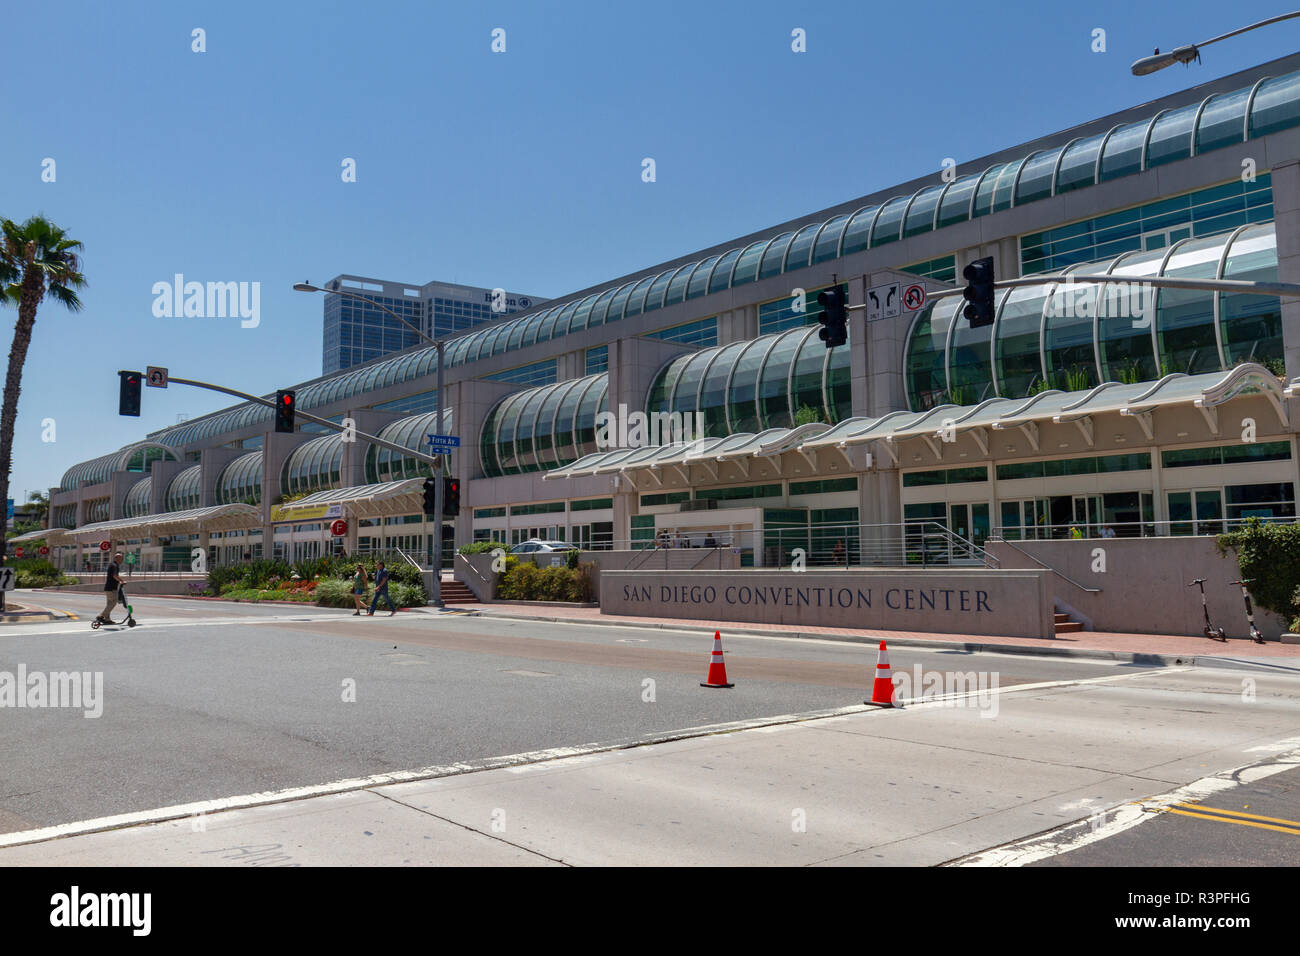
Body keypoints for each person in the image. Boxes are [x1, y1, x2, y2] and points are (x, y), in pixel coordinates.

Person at [97, 551, 124, 624]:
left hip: (108, 588)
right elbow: (115, 576)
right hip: (111, 589)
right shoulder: (115, 566)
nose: (122, 560)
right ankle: (101, 615)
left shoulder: (111, 565)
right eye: (121, 558)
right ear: (116, 558)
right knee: (113, 603)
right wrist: (122, 581)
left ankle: (107, 619)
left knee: (109, 604)